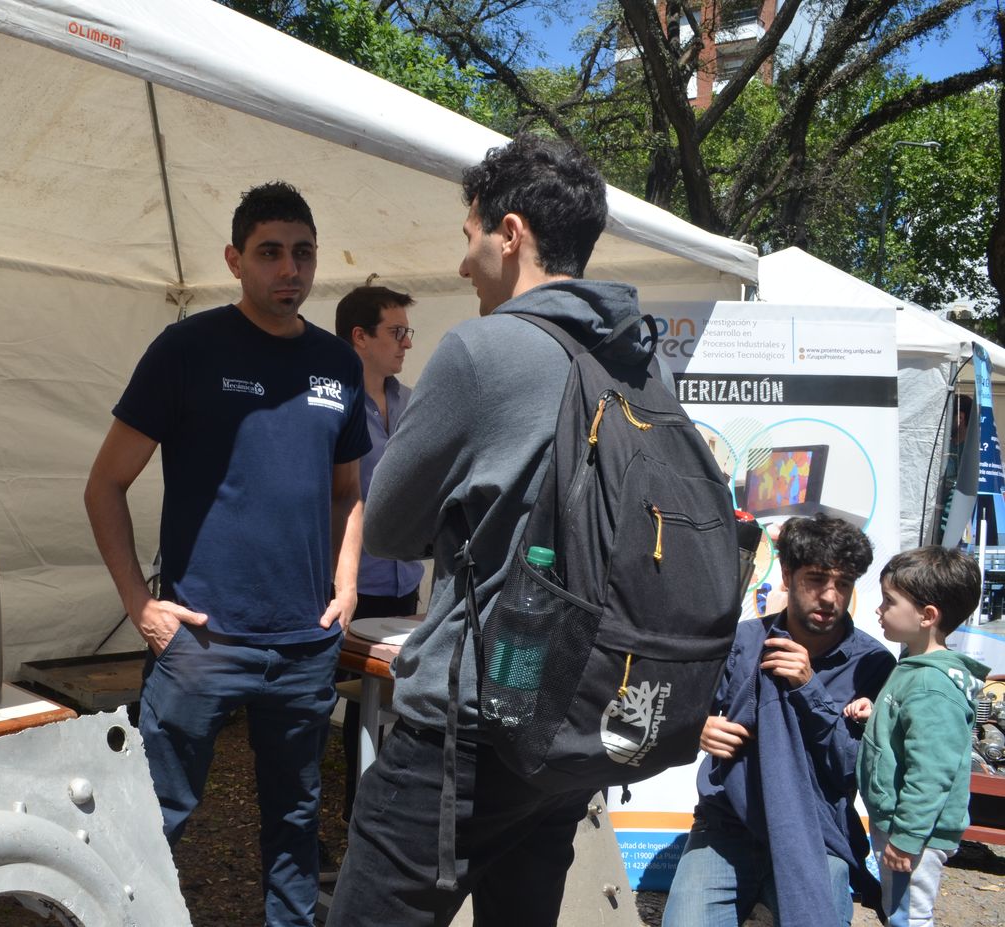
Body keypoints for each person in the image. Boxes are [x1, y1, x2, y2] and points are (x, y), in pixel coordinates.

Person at [326, 135, 640, 925]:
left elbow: (393, 523)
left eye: (468, 240)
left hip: (466, 728)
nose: (464, 266)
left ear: (509, 232)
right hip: (573, 720)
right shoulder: (637, 357)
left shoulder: (484, 347)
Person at [83, 181, 370, 927]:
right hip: (199, 639)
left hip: (304, 643)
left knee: (295, 823)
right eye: (270, 252)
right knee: (153, 817)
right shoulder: (187, 350)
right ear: (234, 260)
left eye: (303, 253)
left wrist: (345, 584)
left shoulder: (337, 365)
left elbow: (349, 491)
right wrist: (140, 607)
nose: (290, 268)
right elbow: (105, 485)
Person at [661, 514, 897, 927]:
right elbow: (676, 708)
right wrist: (696, 727)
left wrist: (809, 689)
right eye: (816, 579)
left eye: (843, 583)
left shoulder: (871, 664)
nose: (830, 597)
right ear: (787, 575)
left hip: (818, 832)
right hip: (727, 824)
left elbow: (853, 768)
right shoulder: (745, 642)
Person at [846, 546, 988, 927]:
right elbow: (914, 731)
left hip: (914, 833)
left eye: (889, 601)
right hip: (904, 826)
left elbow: (931, 772)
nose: (879, 609)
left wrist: (906, 839)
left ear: (927, 616)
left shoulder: (930, 685)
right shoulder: (915, 667)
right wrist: (877, 715)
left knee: (908, 916)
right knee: (899, 910)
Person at [332, 284, 425, 822]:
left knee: (392, 699)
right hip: (347, 582)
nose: (407, 343)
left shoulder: (412, 404)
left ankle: (375, 812)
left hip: (402, 581)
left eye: (407, 332)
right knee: (342, 700)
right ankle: (348, 815)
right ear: (359, 338)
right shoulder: (332, 406)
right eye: (397, 332)